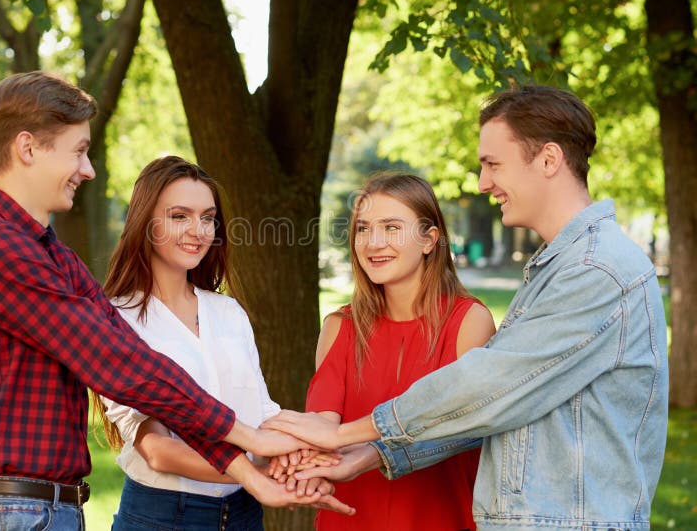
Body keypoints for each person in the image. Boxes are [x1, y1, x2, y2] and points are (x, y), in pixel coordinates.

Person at [0, 71, 351, 530]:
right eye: (78, 151)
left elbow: (145, 372)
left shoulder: (52, 256)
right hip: (13, 511)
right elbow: (121, 365)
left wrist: (253, 470)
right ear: (28, 148)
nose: (87, 170)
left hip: (36, 509)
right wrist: (251, 445)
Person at [264, 85, 669, 531]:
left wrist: (345, 434)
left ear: (549, 160)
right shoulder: (560, 267)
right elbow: (492, 411)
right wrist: (370, 455)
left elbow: (488, 387)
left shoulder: (596, 271)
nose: (482, 183)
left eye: (494, 164)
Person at [91, 156, 336, 530]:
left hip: (244, 514)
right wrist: (257, 472)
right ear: (145, 222)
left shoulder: (228, 312)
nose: (198, 230)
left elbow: (261, 413)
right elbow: (157, 450)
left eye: (207, 218)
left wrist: (305, 455)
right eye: (179, 216)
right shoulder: (116, 320)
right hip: (163, 516)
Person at [293, 173, 495, 530]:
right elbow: (323, 428)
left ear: (429, 239)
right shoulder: (340, 327)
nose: (373, 243)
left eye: (391, 228)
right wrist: (309, 464)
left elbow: (460, 429)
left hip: (440, 518)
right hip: (351, 518)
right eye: (363, 229)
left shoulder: (469, 322)